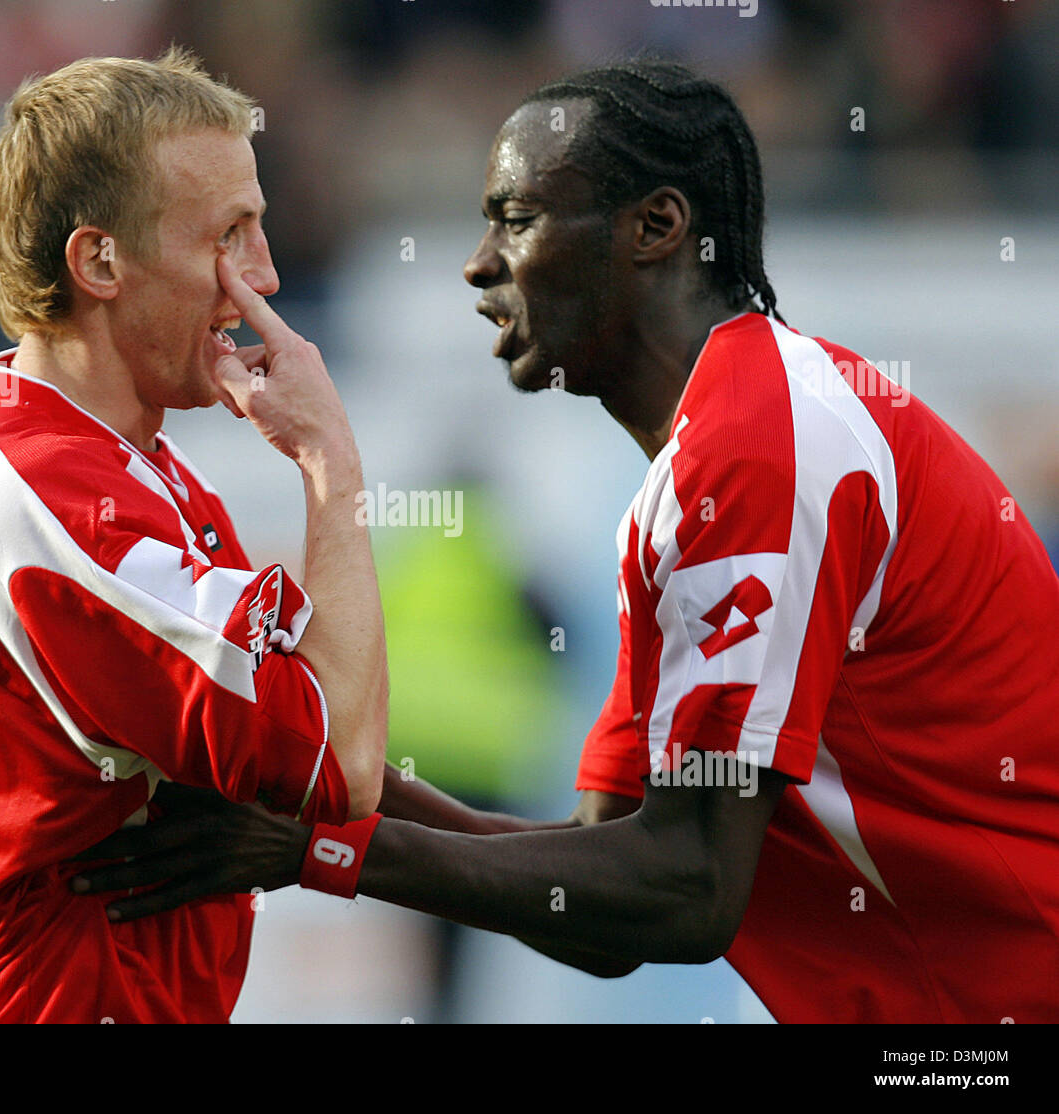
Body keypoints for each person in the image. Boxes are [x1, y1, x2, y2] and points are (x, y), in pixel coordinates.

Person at [69, 58, 1059, 1024]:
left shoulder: (762, 451)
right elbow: (600, 900)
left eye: (518, 219)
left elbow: (688, 888)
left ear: (655, 229)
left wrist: (319, 852)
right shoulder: (693, 481)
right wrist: (336, 783)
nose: (479, 263)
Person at [0, 48, 387, 1023]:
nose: (265, 275)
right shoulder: (52, 495)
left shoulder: (129, 466)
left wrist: (513, 856)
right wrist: (332, 464)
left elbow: (309, 740)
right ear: (100, 260)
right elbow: (338, 767)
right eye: (229, 236)